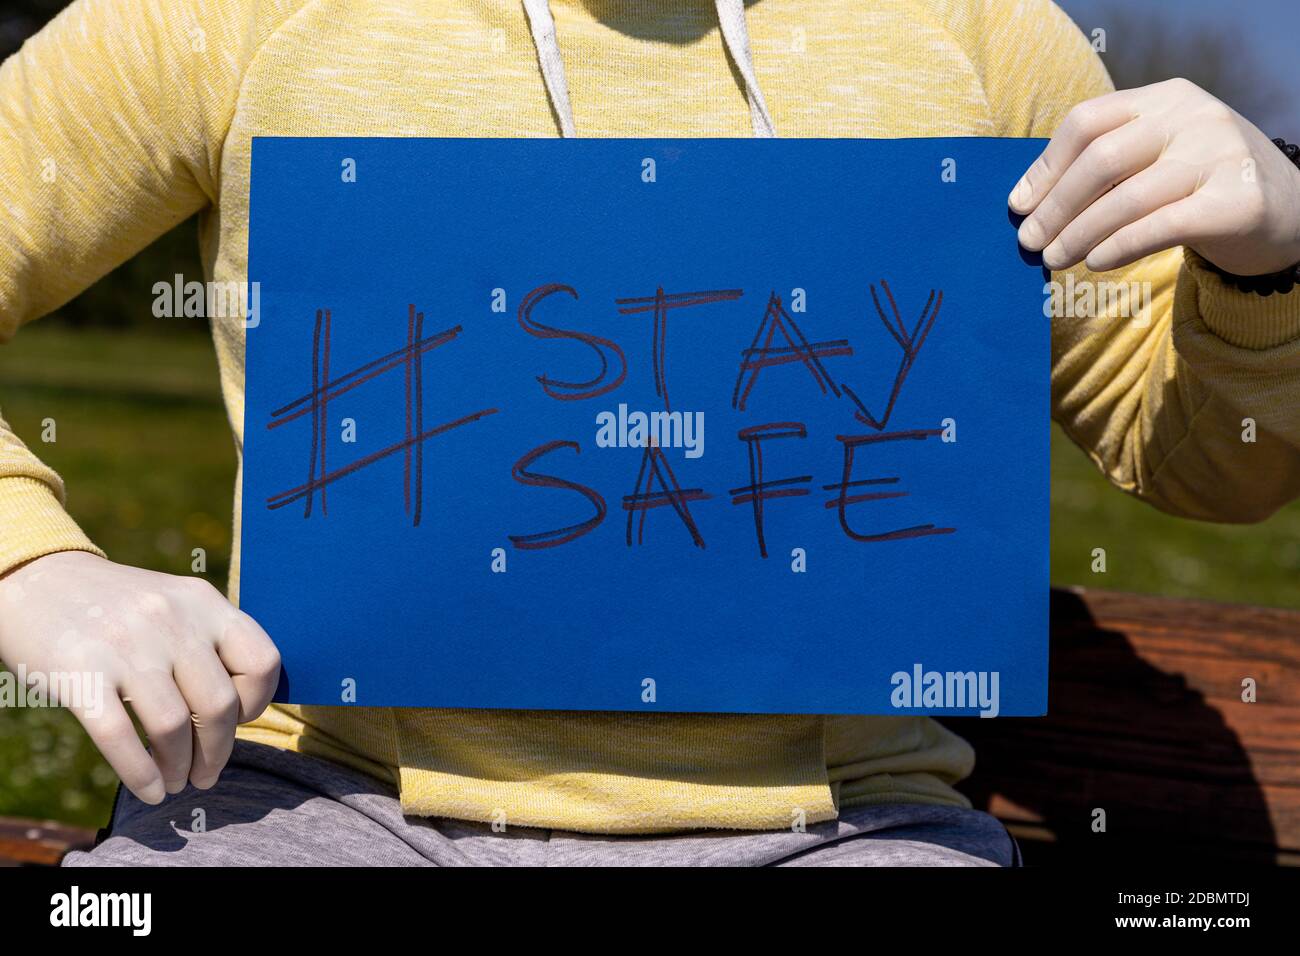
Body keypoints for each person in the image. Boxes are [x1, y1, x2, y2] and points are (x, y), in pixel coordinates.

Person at [1, 0, 1296, 867]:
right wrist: (30, 568)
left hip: (841, 835)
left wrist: (1267, 267)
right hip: (320, 808)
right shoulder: (233, 15)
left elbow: (1195, 454)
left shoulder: (980, 35)